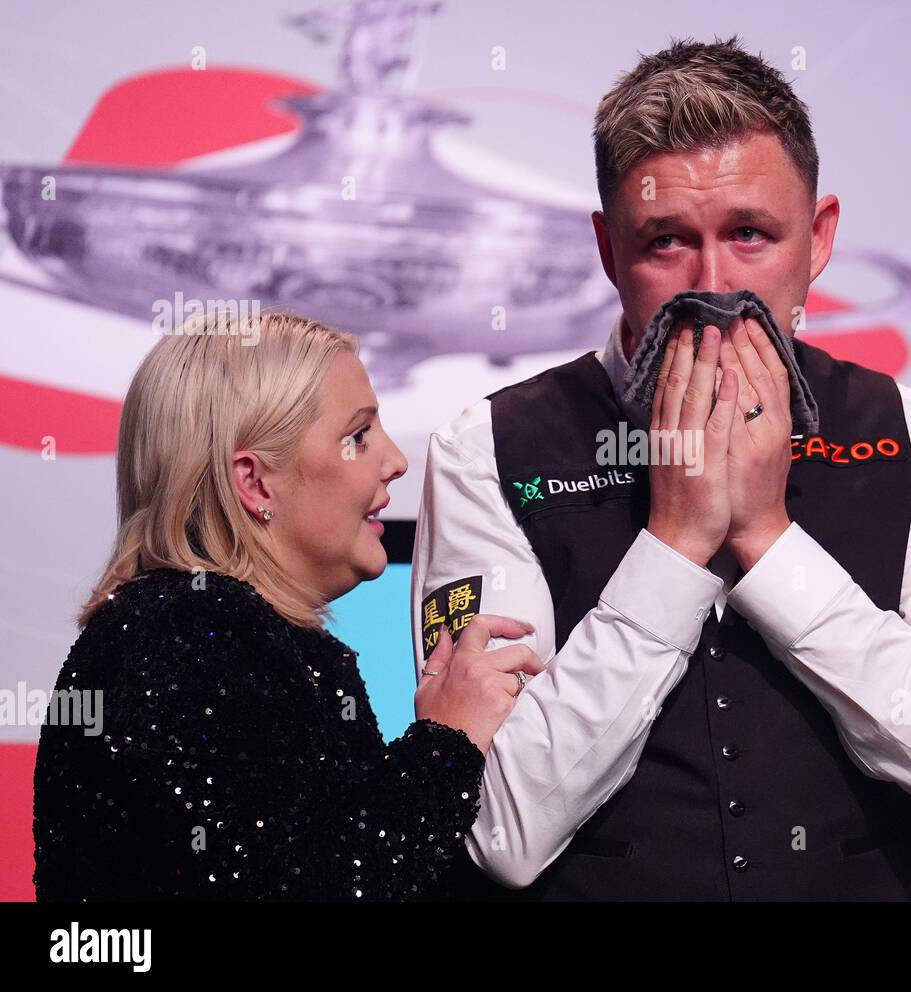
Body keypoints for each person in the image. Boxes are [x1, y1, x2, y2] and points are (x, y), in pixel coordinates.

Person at [411, 37, 911, 901]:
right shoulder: (489, 448)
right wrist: (674, 544)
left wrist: (768, 541)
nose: (714, 287)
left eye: (749, 234)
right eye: (667, 242)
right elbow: (503, 829)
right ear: (606, 248)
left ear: (818, 239)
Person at [32, 310, 542, 901]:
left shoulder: (224, 633)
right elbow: (314, 886)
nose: (397, 461)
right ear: (254, 482)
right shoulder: (180, 634)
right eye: (357, 436)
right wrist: (448, 740)